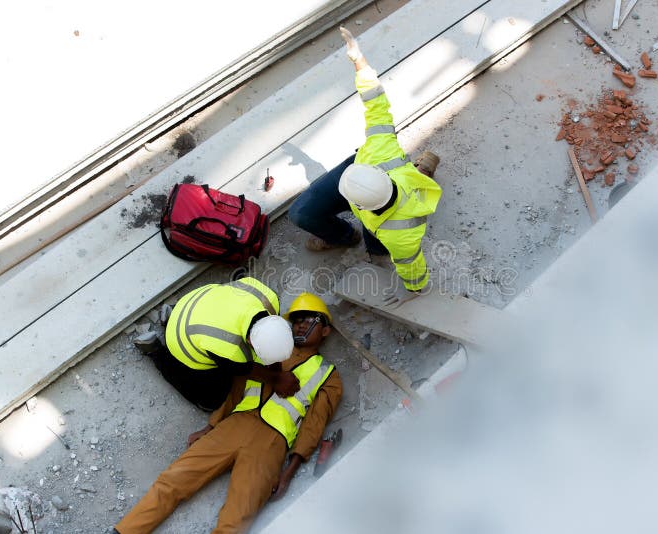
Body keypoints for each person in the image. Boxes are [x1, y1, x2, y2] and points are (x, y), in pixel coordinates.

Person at [115, 292, 342, 534]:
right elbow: (237, 389)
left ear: (326, 331)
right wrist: (211, 426)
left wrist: (288, 473)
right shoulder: (265, 347)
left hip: (270, 443)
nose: (301, 324)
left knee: (237, 517)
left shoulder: (328, 375)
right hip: (234, 425)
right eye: (297, 320)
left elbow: (314, 426)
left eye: (310, 320)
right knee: (174, 479)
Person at [288, 27, 442, 307]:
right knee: (300, 213)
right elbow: (376, 102)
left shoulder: (401, 232)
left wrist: (413, 290)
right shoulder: (379, 150)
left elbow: (411, 264)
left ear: (363, 207)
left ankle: (422, 172)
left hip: (382, 211)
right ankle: (345, 236)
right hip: (360, 175)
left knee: (378, 250)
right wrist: (359, 61)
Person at [135, 276, 300, 411]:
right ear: (250, 341)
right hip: (181, 335)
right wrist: (275, 378)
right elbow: (247, 370)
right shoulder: (229, 348)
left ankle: (171, 318)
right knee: (212, 400)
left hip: (193, 303)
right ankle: (156, 350)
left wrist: (277, 370)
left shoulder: (269, 298)